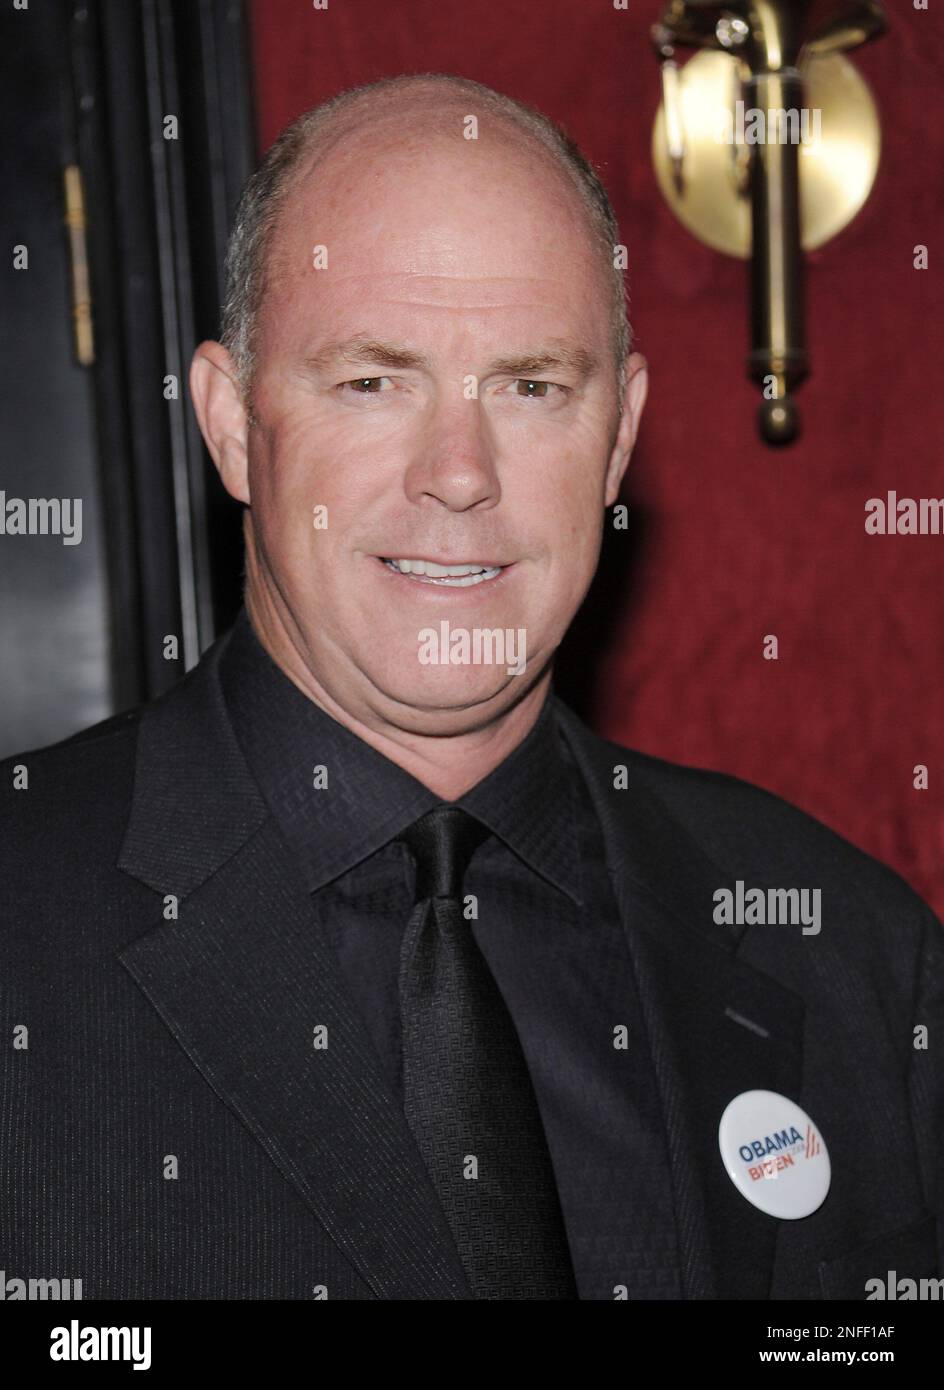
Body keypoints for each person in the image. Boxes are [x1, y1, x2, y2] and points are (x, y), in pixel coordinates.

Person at [1, 72, 941, 1302]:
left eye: (530, 386)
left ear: (618, 434)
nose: (458, 474)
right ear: (230, 424)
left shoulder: (853, 955)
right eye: (372, 381)